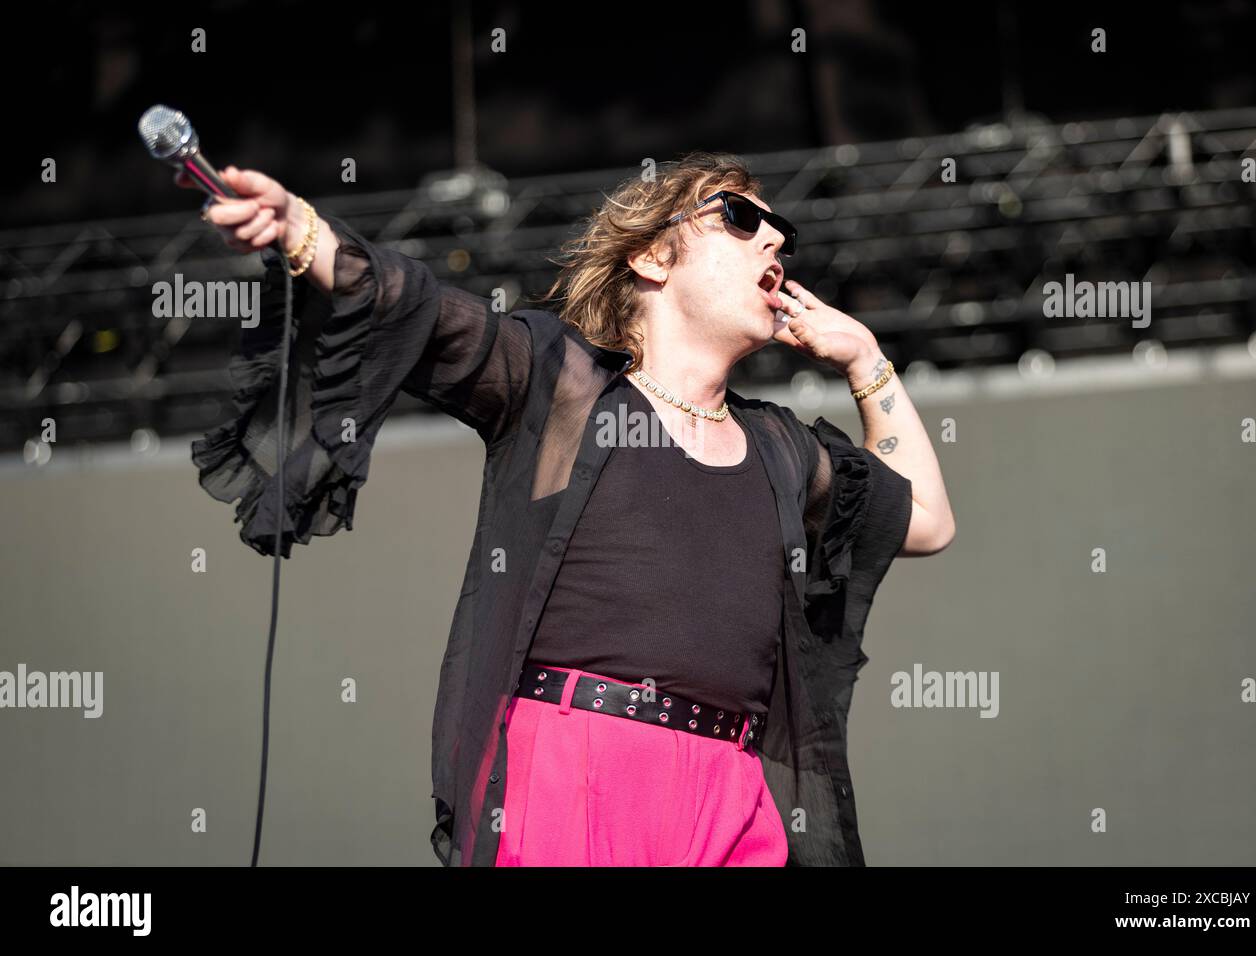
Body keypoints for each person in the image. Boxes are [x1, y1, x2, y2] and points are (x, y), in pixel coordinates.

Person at [182, 151, 955, 866]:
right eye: (740, 219)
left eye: (781, 235)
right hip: (579, 767)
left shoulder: (781, 448)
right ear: (652, 256)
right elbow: (427, 311)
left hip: (734, 789)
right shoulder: (568, 391)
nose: (773, 245)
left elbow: (927, 521)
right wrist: (301, 230)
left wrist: (867, 361)